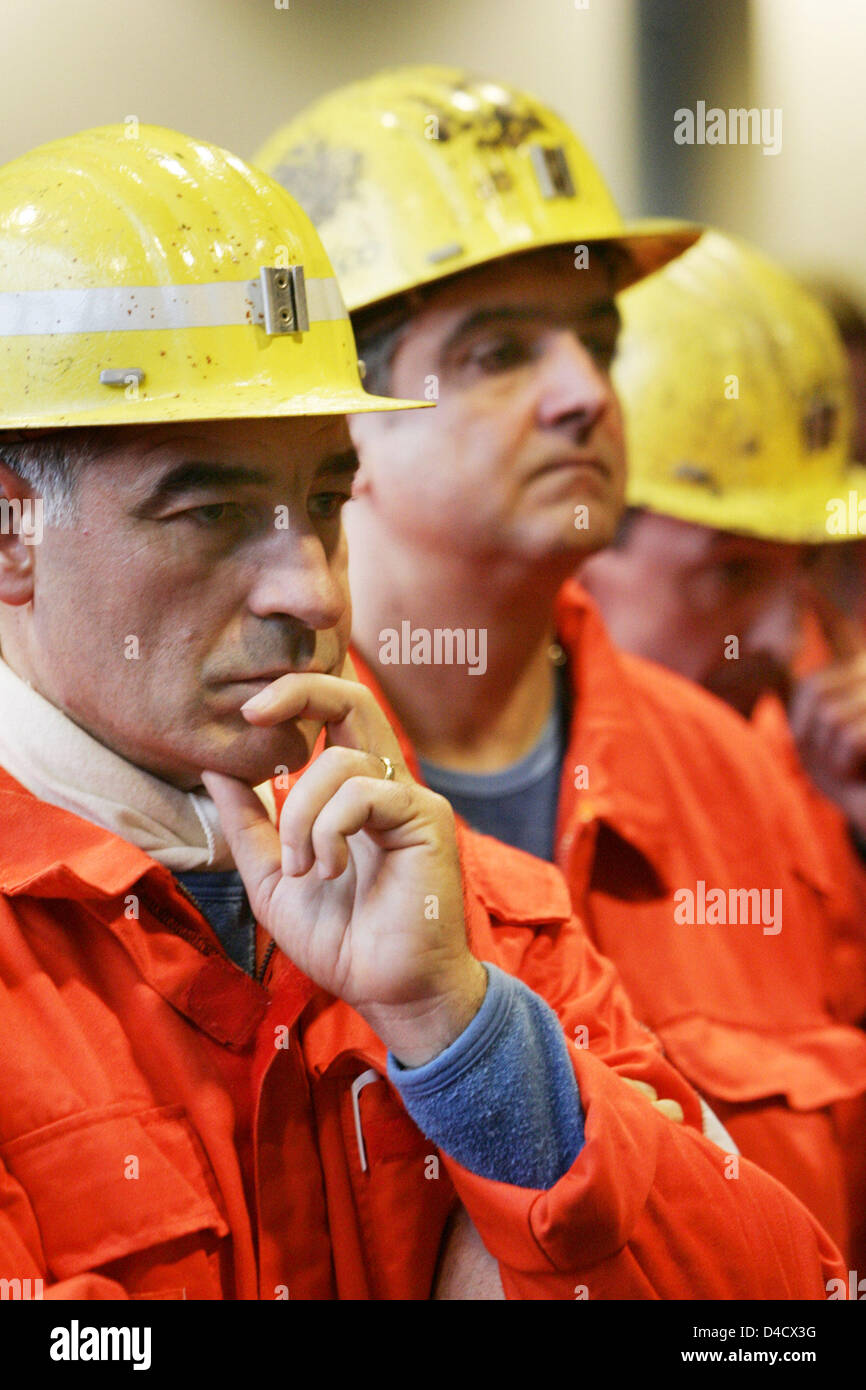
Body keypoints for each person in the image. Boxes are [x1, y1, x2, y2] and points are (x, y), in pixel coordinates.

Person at [0, 123, 840, 1304]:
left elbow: (779, 1314)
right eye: (210, 512)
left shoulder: (478, 922)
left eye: (323, 499)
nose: (309, 588)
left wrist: (461, 1035)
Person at [258, 65, 866, 1258]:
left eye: (596, 341)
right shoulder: (252, 808)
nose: (587, 394)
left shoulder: (735, 785)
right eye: (499, 353)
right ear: (340, 416)